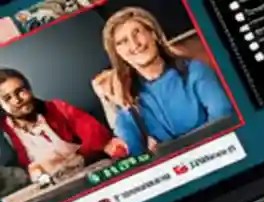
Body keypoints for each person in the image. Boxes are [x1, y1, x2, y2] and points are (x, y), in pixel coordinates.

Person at [93, 7, 232, 156]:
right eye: (123, 41)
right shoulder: (128, 98)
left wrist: (166, 149)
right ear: (118, 53)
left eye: (137, 32)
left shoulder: (195, 71)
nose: (134, 44)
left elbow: (223, 118)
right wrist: (122, 107)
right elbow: (133, 154)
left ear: (153, 34)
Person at [0, 68, 119, 181]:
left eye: (20, 92)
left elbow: (98, 135)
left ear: (29, 89)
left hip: (87, 172)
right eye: (7, 98)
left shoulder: (57, 108)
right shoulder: (4, 133)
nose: (17, 100)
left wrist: (77, 159)